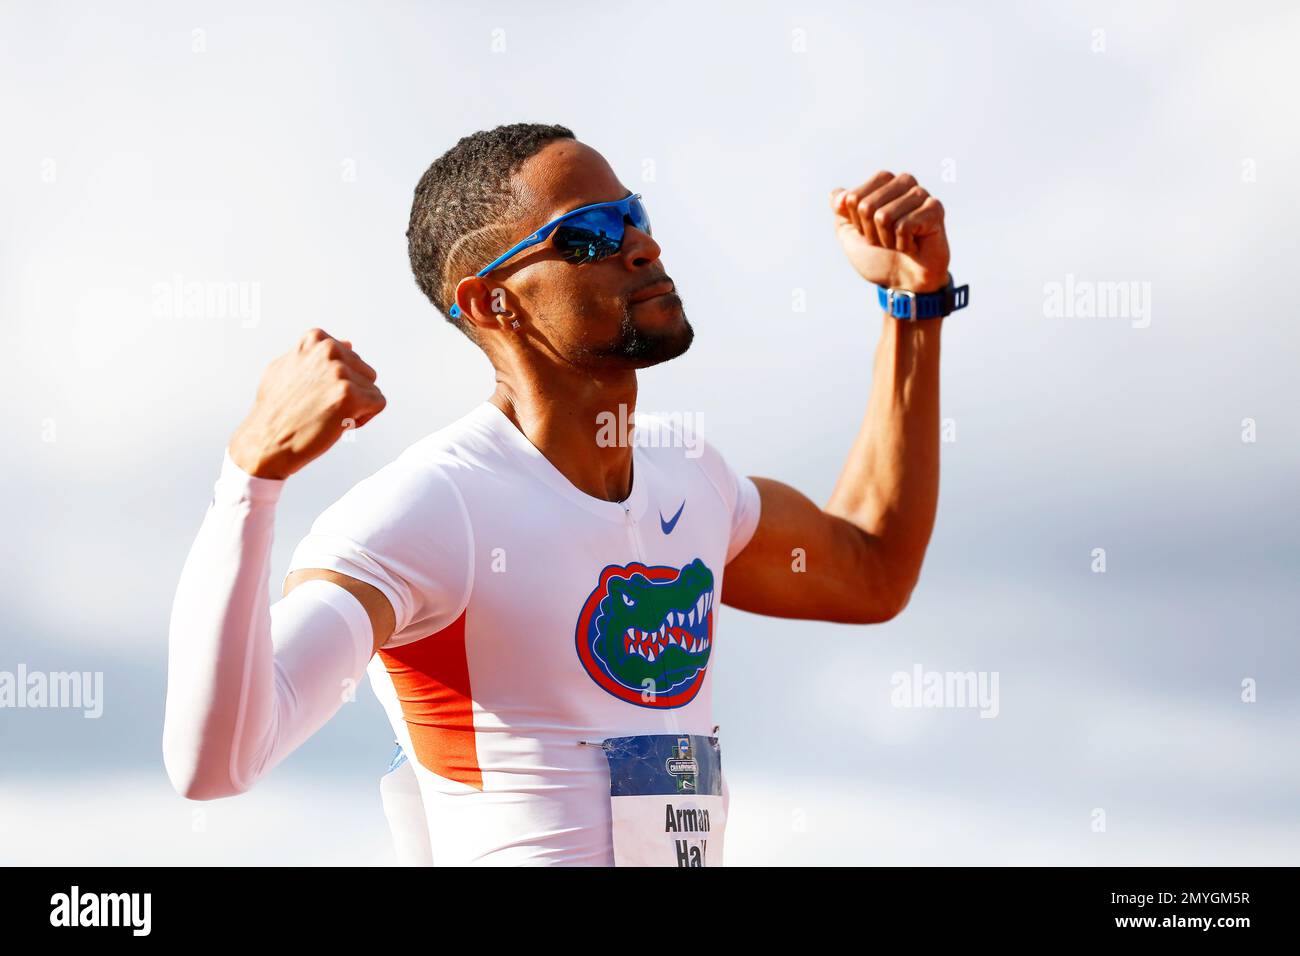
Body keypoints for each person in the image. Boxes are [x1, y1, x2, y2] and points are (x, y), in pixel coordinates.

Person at [162, 122, 966, 866]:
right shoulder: (435, 510)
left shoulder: (691, 478)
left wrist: (913, 306)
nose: (642, 246)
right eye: (590, 235)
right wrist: (251, 477)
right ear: (490, 302)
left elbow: (872, 570)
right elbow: (218, 763)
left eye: (635, 214)